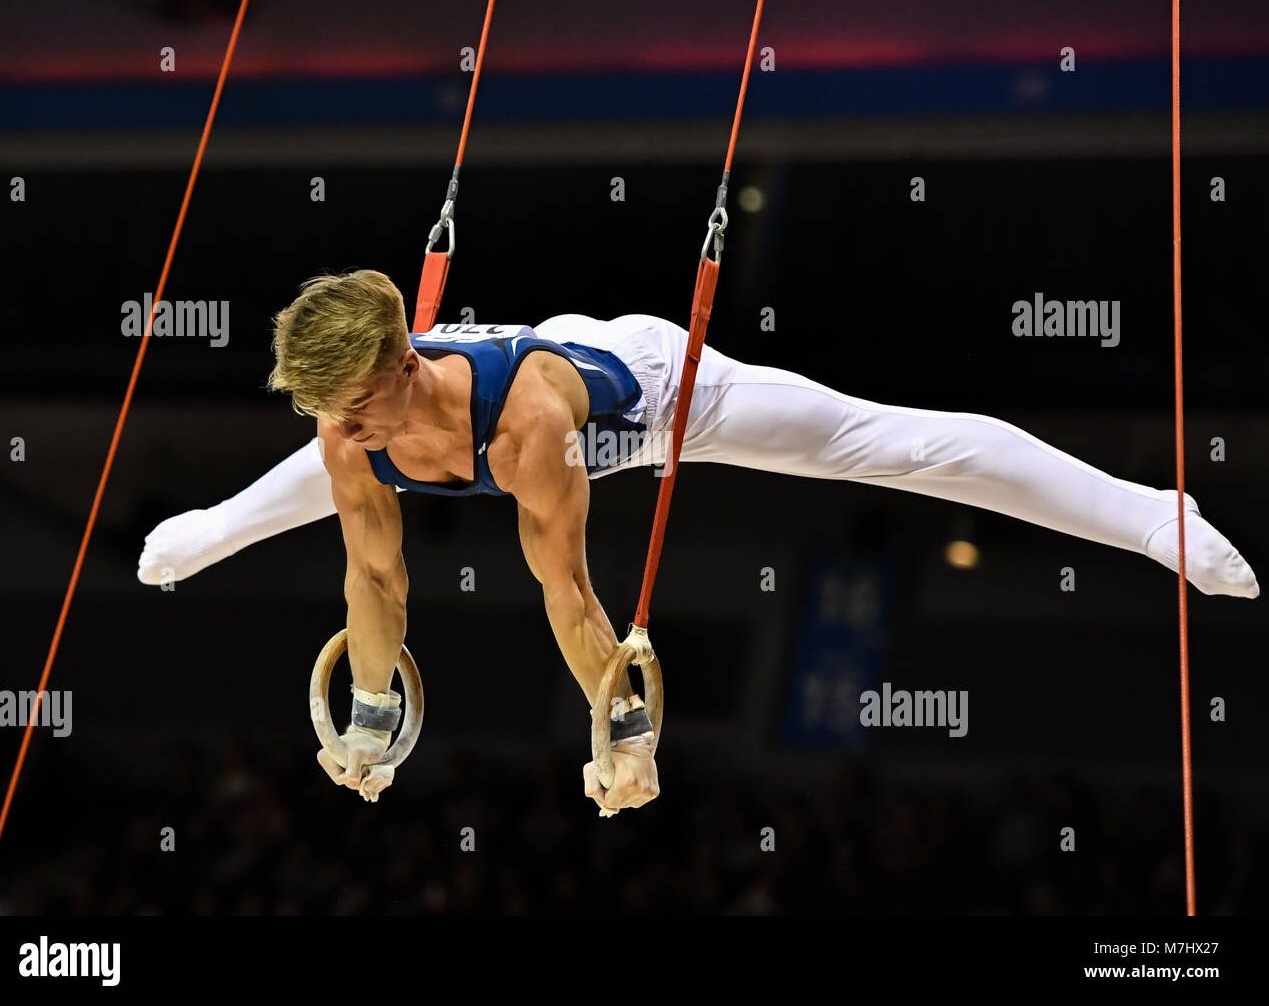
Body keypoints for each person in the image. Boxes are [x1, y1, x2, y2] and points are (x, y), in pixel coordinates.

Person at [138, 269, 1258, 811]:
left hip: (661, 394)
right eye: (325, 407)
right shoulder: (351, 422)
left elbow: (571, 599)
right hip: (469, 409)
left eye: (352, 404)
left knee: (895, 446)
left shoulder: (526, 423)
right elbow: (373, 581)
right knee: (315, 491)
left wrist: (623, 732)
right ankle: (202, 535)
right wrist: (373, 718)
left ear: (399, 367)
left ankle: (1151, 516)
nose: (339, 425)